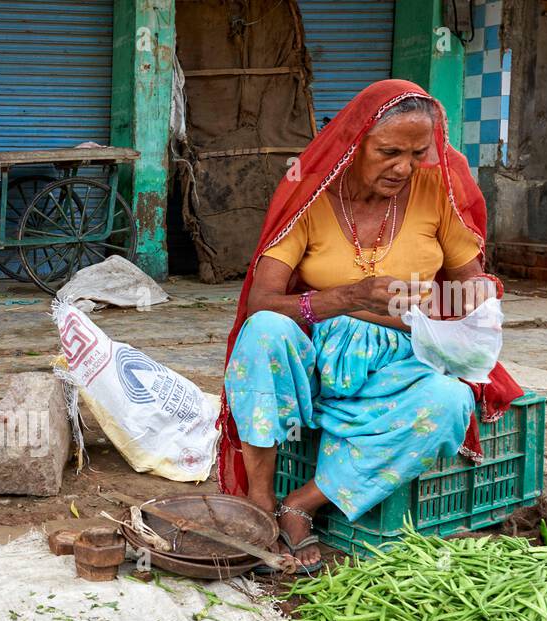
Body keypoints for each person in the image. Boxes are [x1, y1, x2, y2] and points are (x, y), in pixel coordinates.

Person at [217, 79, 523, 572]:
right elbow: (261, 302)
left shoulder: (436, 189)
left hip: (403, 359)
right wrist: (352, 297)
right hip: (315, 359)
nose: (404, 167)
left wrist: (443, 304)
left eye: (417, 152)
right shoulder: (311, 194)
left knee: (449, 404)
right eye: (389, 152)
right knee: (264, 333)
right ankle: (258, 500)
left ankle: (301, 504)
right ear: (355, 143)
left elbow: (475, 289)